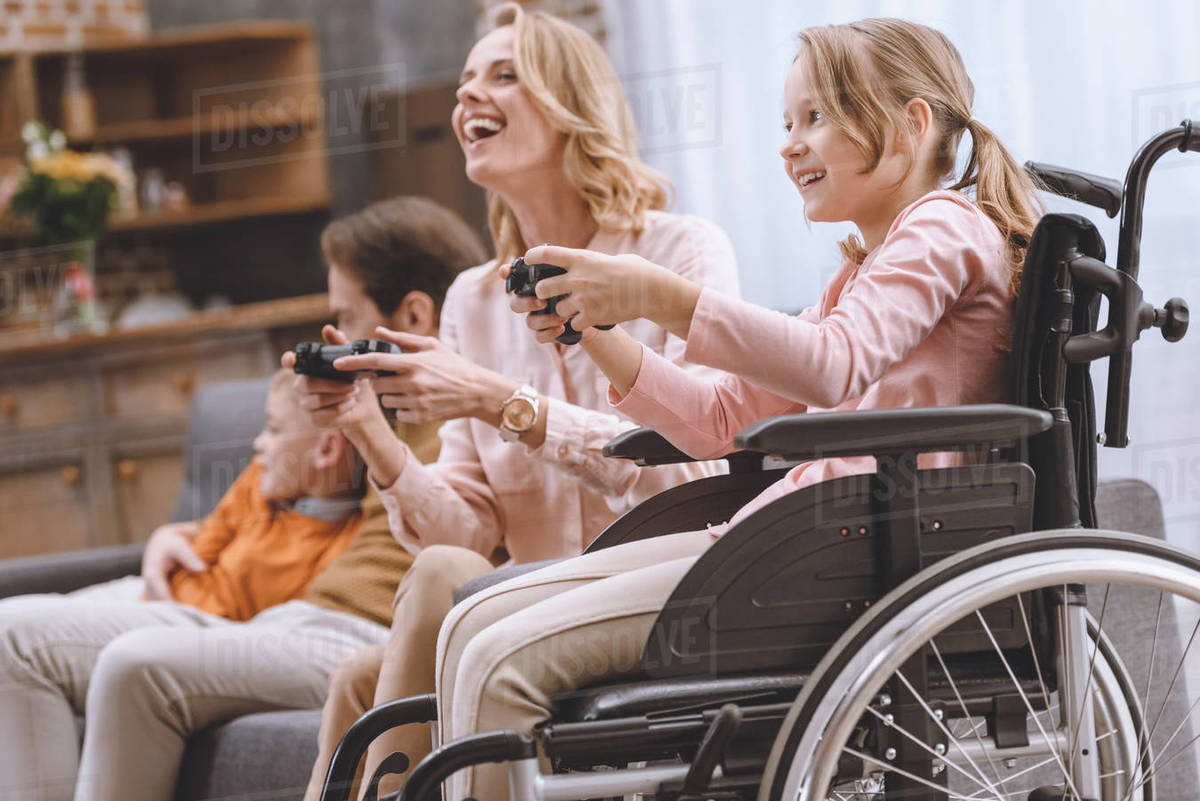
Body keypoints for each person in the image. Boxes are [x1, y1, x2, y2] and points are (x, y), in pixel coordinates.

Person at [432, 17, 1044, 801]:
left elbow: (832, 367)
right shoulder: (863, 269)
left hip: (857, 549)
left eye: (816, 117)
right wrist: (599, 331)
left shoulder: (944, 226)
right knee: (469, 623)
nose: (791, 144)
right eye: (788, 123)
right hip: (808, 536)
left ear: (912, 124)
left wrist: (664, 296)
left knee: (500, 658)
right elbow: (718, 419)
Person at [297, 6, 742, 799]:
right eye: (465, 82)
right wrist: (371, 432)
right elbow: (468, 532)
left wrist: (506, 402)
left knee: (404, 643)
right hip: (522, 601)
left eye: (503, 76)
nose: (471, 96)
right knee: (371, 658)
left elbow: (698, 458)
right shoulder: (473, 298)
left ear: (572, 108)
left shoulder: (677, 253)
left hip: (660, 592)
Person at [0, 195, 487, 801]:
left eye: (346, 315)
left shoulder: (467, 412)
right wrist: (175, 534)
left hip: (362, 632)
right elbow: (277, 488)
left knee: (115, 661)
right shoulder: (382, 408)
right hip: (296, 618)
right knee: (15, 633)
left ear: (414, 315)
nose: (335, 341)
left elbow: (466, 541)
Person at [0, 369, 365, 801]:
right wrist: (166, 550)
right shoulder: (260, 484)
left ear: (327, 449)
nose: (258, 443)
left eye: (273, 429)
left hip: (189, 616)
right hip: (158, 591)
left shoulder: (341, 544)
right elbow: (205, 541)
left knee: (15, 637)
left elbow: (255, 612)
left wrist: (168, 600)